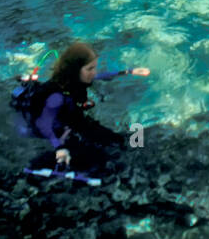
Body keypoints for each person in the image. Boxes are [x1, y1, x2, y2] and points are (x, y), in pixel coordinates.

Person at [16, 41, 149, 175]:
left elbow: (100, 76)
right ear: (75, 70)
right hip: (58, 127)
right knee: (101, 155)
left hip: (74, 118)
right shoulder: (56, 97)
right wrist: (59, 148)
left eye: (94, 67)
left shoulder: (77, 78)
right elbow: (43, 124)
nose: (94, 72)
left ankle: (132, 152)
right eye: (90, 69)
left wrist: (129, 71)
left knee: (118, 141)